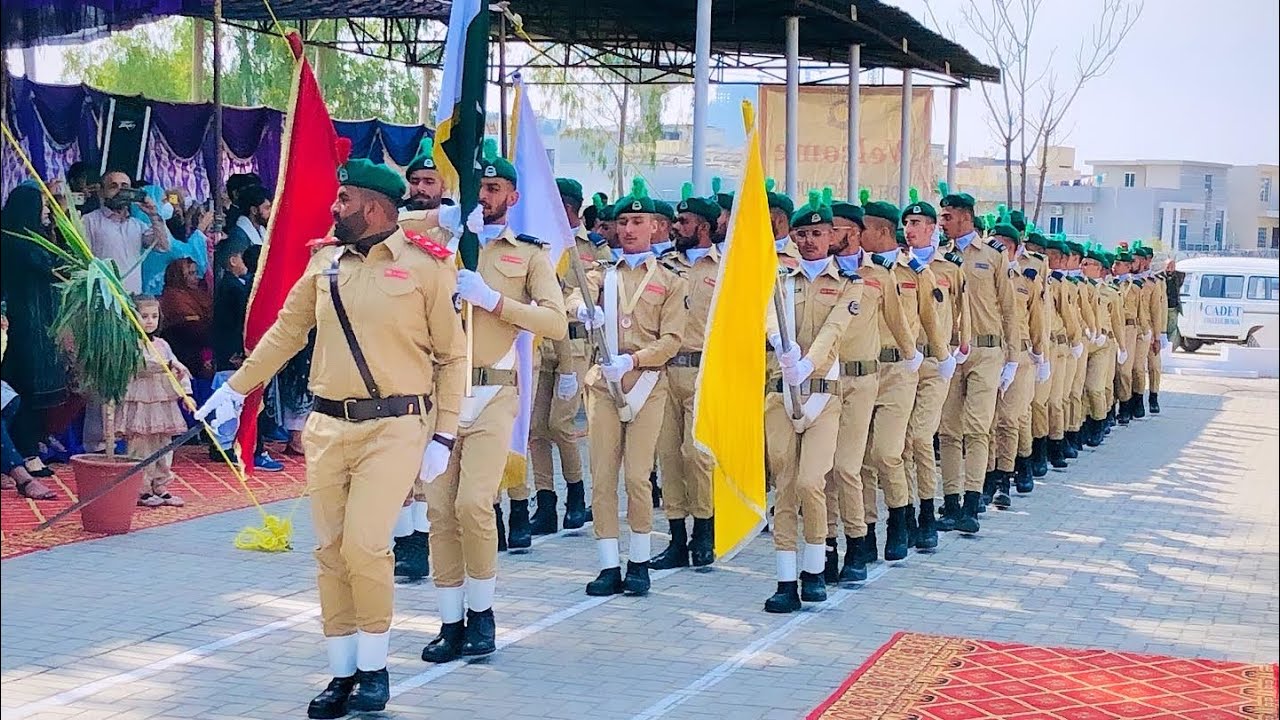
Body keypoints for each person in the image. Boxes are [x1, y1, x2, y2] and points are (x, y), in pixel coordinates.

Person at [196, 158, 466, 718]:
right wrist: (237, 389)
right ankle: (342, 673)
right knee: (330, 552)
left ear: (372, 206)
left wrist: (443, 435)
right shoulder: (325, 263)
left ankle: (374, 668)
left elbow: (453, 354)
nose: (333, 207)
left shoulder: (428, 266)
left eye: (342, 199)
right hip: (325, 426)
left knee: (366, 545)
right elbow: (287, 332)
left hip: (395, 424)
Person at [419, 139, 566, 661]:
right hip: (440, 393)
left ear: (512, 195)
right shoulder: (440, 244)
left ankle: (482, 614)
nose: (484, 196)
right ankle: (450, 619)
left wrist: (495, 300)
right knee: (439, 510)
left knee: (473, 503)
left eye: (493, 188)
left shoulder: (526, 254)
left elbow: (555, 321)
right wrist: (447, 232)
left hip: (493, 389)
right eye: (477, 187)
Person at [568, 177, 686, 598]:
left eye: (638, 221)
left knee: (637, 477)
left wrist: (634, 360)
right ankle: (607, 564)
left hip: (646, 384)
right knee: (602, 477)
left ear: (656, 227)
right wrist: (582, 309)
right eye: (624, 222)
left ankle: (638, 561)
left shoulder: (671, 280)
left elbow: (672, 339)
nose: (630, 229)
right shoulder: (603, 273)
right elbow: (575, 298)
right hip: (604, 384)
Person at [762, 191, 859, 613]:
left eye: (818, 234)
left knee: (810, 482)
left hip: (823, 395)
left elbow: (835, 330)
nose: (809, 241)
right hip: (781, 393)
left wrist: (808, 362)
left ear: (832, 236)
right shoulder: (779, 280)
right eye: (802, 234)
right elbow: (769, 315)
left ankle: (815, 569)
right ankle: (786, 578)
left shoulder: (849, 286)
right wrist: (780, 346)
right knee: (784, 487)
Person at [821, 194, 919, 584]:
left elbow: (899, 321)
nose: (828, 236)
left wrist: (916, 358)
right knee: (833, 469)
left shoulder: (880, 276)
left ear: (856, 233)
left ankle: (892, 523)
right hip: (825, 380)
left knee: (873, 458)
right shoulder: (815, 274)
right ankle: (831, 545)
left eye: (836, 230)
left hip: (872, 377)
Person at [856, 197, 939, 562]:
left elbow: (931, 319)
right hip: (864, 370)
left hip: (900, 372)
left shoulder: (916, 272)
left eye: (863, 229)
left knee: (889, 452)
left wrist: (942, 358)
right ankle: (867, 530)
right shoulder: (857, 271)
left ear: (880, 231)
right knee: (859, 459)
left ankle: (900, 521)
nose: (857, 236)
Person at [524, 178, 607, 537]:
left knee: (561, 423)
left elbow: (589, 287)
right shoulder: (537, 246)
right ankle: (545, 500)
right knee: (535, 427)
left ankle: (575, 494)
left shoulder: (591, 248)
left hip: (574, 344)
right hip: (541, 343)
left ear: (568, 207)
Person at [935, 188, 1018, 535]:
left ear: (966, 217)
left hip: (986, 351)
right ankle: (951, 501)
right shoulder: (939, 255)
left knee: (977, 427)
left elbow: (1010, 307)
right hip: (952, 351)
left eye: (947, 217)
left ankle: (972, 501)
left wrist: (1012, 358)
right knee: (949, 429)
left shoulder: (993, 254)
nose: (943, 223)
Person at [650, 184, 722, 570]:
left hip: (703, 372)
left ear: (705, 226)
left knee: (697, 455)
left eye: (684, 221)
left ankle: (705, 531)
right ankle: (677, 537)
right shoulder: (662, 265)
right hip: (664, 371)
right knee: (668, 456)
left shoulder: (724, 268)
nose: (675, 227)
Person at [898, 193, 963, 542]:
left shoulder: (949, 268)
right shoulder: (896, 266)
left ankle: (926, 509)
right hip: (906, 364)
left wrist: (957, 348)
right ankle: (907, 509)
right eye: (907, 224)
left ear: (933, 229)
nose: (911, 230)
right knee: (902, 441)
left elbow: (961, 310)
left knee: (922, 436)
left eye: (918, 224)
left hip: (936, 363)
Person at [0, 182, 70, 484]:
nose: (47, 210)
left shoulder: (27, 240)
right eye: (43, 205)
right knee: (26, 389)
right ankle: (26, 453)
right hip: (26, 324)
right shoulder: (19, 243)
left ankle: (26, 450)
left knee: (26, 391)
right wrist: (65, 222)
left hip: (36, 322)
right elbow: (60, 266)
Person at [983, 216, 1047, 509]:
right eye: (996, 243)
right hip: (989, 354)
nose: (1000, 248)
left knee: (1009, 419)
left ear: (1017, 248)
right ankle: (986, 478)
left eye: (1006, 244)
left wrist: (1040, 352)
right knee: (985, 421)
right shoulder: (981, 274)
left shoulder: (1027, 280)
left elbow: (1038, 319)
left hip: (1019, 357)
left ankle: (1005, 478)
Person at [118, 296, 194, 507]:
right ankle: (141, 489)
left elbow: (179, 370)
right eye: (144, 316)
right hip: (141, 401)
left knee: (164, 444)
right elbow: (143, 365)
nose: (150, 321)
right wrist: (168, 365)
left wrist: (186, 394)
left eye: (154, 316)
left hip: (162, 402)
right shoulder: (131, 344)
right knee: (141, 445)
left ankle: (160, 484)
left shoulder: (162, 344)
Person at [82, 170, 170, 294]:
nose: (120, 191)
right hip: (103, 300)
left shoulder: (137, 225)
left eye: (125, 187)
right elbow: (81, 261)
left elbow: (163, 246)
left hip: (132, 299)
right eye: (113, 186)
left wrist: (153, 214)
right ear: (101, 192)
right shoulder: (88, 221)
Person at [159, 258, 214, 391]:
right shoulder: (173, 297)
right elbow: (191, 328)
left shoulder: (198, 293)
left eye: (195, 273)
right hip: (184, 353)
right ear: (178, 276)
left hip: (200, 352)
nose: (196, 278)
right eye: (190, 274)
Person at [403, 137, 446, 211]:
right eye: (414, 182)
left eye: (429, 182)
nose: (420, 188)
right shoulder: (394, 217)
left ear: (444, 186)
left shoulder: (455, 218)